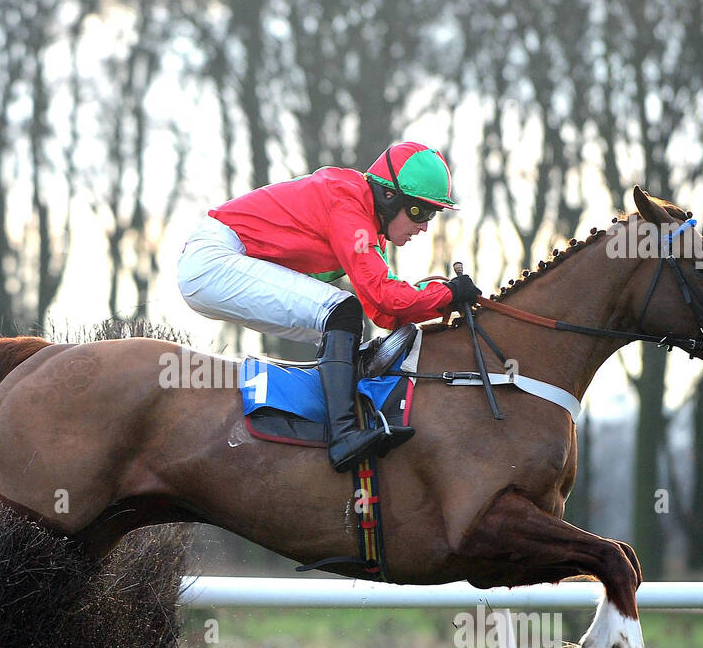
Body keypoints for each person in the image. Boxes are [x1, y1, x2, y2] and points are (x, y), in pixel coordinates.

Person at [177, 141, 482, 472]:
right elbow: (382, 296)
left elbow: (384, 314)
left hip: (218, 265)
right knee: (341, 311)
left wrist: (441, 294)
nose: (423, 226)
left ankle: (326, 425)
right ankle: (343, 436)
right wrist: (447, 294)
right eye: (418, 212)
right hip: (213, 261)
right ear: (388, 196)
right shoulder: (348, 202)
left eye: (431, 215)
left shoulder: (367, 224)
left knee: (346, 328)